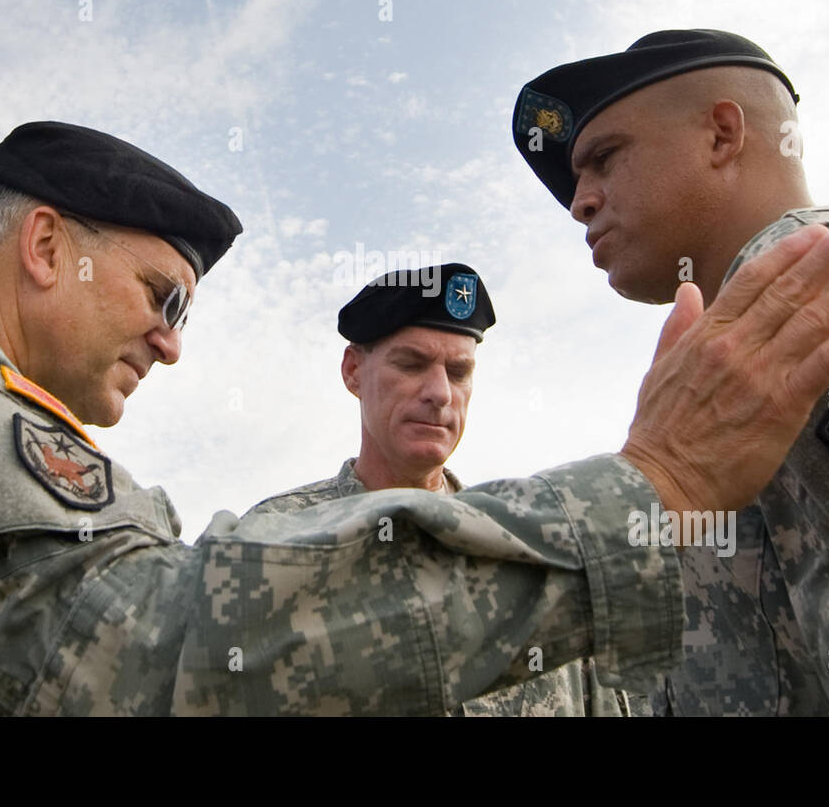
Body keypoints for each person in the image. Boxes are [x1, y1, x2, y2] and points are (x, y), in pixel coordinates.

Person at [0, 119, 829, 715]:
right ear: (46, 246)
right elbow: (144, 645)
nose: (171, 340)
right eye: (161, 294)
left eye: (461, 367)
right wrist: (649, 486)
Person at [512, 28, 829, 715]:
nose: (581, 201)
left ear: (722, 135)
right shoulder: (744, 343)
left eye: (604, 159)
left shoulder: (813, 281)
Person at [243, 263, 647, 716]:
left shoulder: (535, 556)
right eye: (411, 364)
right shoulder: (271, 541)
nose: (440, 393)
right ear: (354, 370)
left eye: (458, 372)